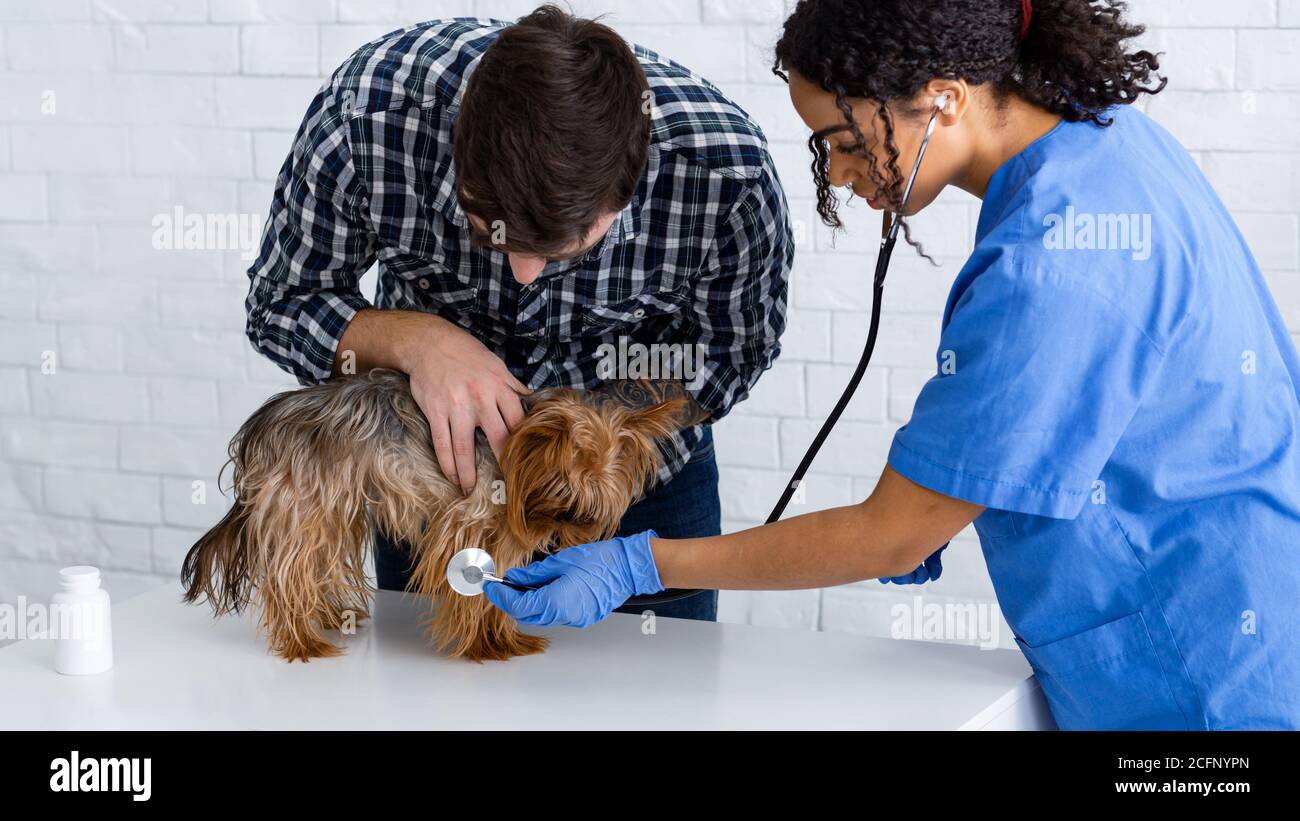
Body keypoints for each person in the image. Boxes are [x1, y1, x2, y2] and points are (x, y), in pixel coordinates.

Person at [483, 0, 1300, 730]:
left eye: (840, 140)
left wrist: (639, 562)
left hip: (1202, 687)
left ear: (942, 95)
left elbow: (891, 536)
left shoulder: (1053, 263)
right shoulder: (1106, 148)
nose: (835, 173)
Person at [245, 6, 794, 623]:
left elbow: (729, 354)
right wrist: (416, 341)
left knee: (660, 696)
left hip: (634, 489)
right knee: (439, 699)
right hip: (438, 478)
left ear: (628, 187)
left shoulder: (724, 175)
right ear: (458, 156)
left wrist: (598, 452)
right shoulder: (368, 118)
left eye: (563, 249)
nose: (524, 274)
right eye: (492, 235)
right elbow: (283, 302)